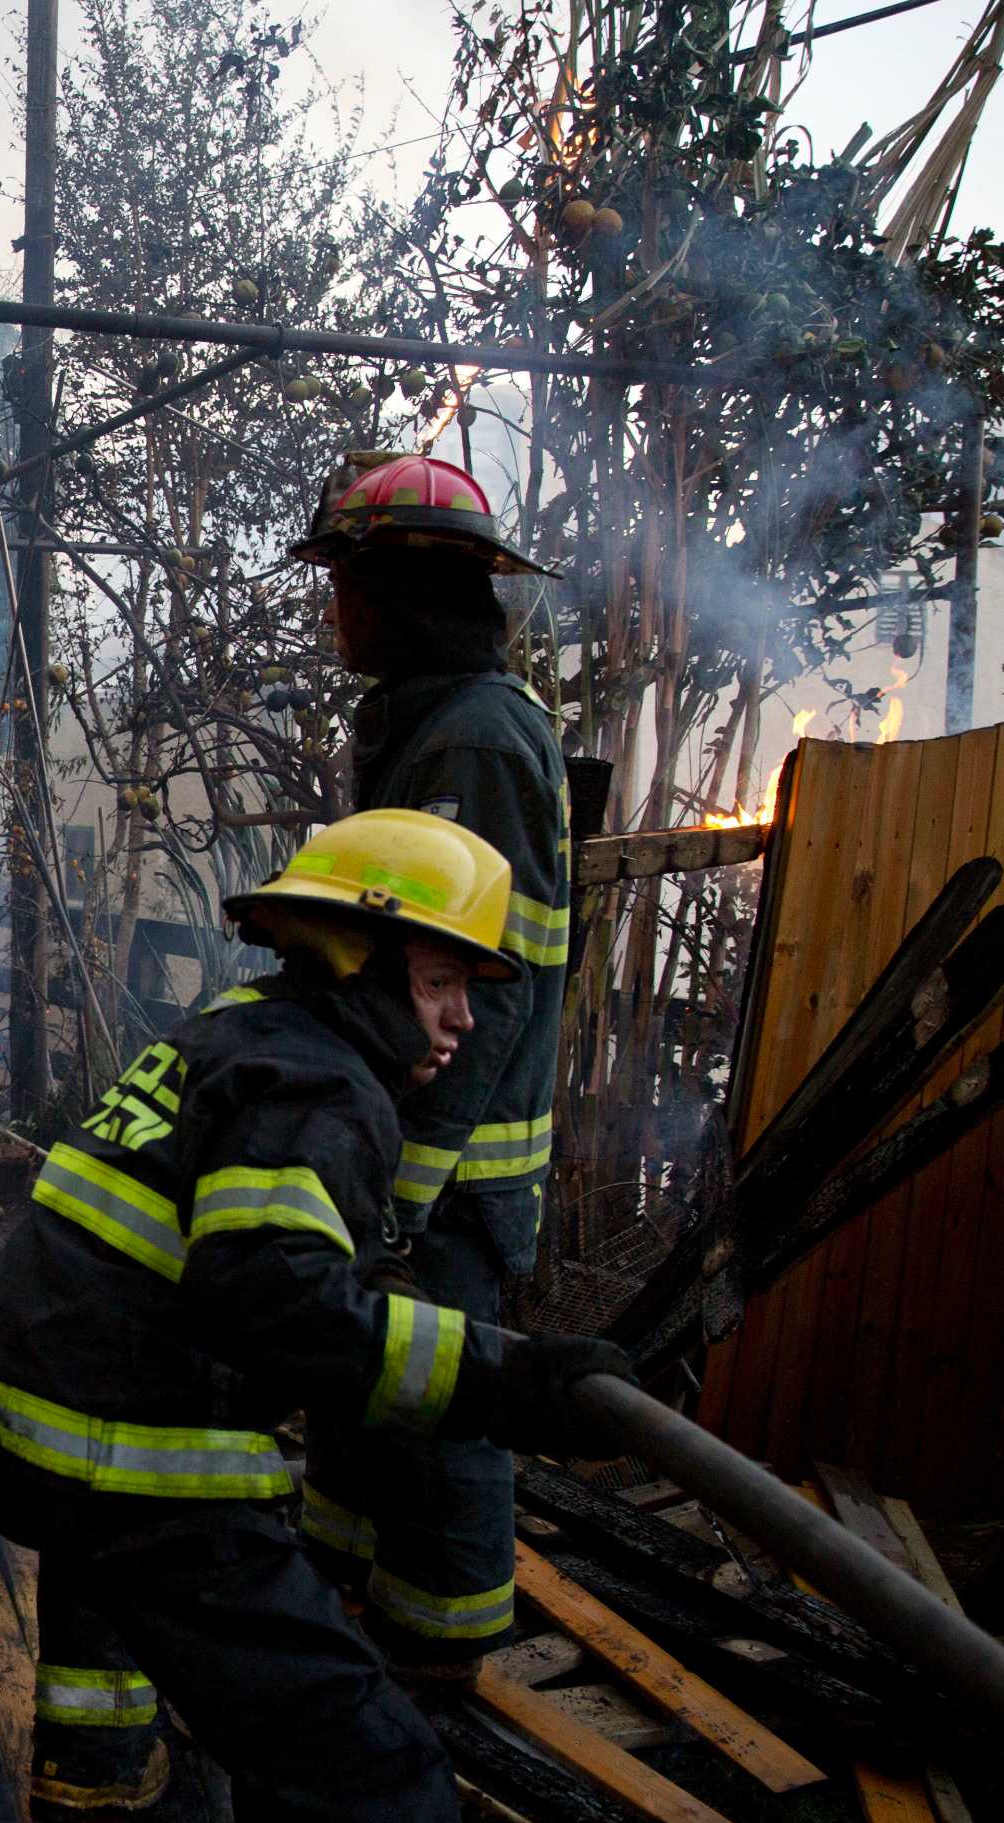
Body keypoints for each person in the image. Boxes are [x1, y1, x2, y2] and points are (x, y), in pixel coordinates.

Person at [0, 810, 632, 1823]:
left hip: (19, 1415)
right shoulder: (322, 1088)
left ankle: (96, 1762)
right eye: (440, 982)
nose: (464, 1019)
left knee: (146, 1584)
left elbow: (276, 1256)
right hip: (109, 1449)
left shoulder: (241, 1033)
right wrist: (509, 1382)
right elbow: (274, 1295)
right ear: (360, 958)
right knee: (362, 1759)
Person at [285, 453, 572, 1678]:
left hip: (449, 1170)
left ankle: (441, 1663)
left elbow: (484, 987)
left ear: (402, 592)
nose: (334, 608)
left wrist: (405, 1182)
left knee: (446, 1405)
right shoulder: (425, 721)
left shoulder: (477, 744)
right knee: (366, 1391)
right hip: (404, 1145)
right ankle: (344, 1610)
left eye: (346, 583)